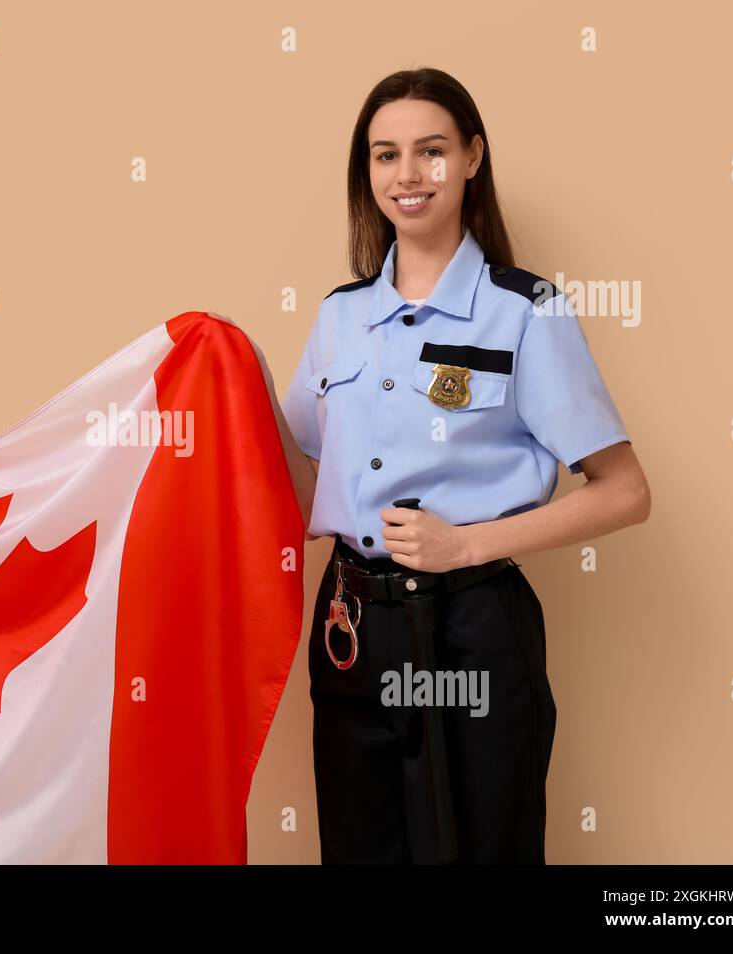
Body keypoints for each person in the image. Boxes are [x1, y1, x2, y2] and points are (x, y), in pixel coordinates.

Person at [275, 67, 651, 864]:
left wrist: (467, 544)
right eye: (385, 155)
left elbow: (626, 492)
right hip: (352, 631)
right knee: (360, 848)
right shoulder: (338, 318)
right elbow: (308, 495)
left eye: (431, 151)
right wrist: (226, 377)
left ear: (473, 158)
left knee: (476, 849)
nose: (408, 175)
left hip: (469, 630)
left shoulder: (527, 310)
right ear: (366, 172)